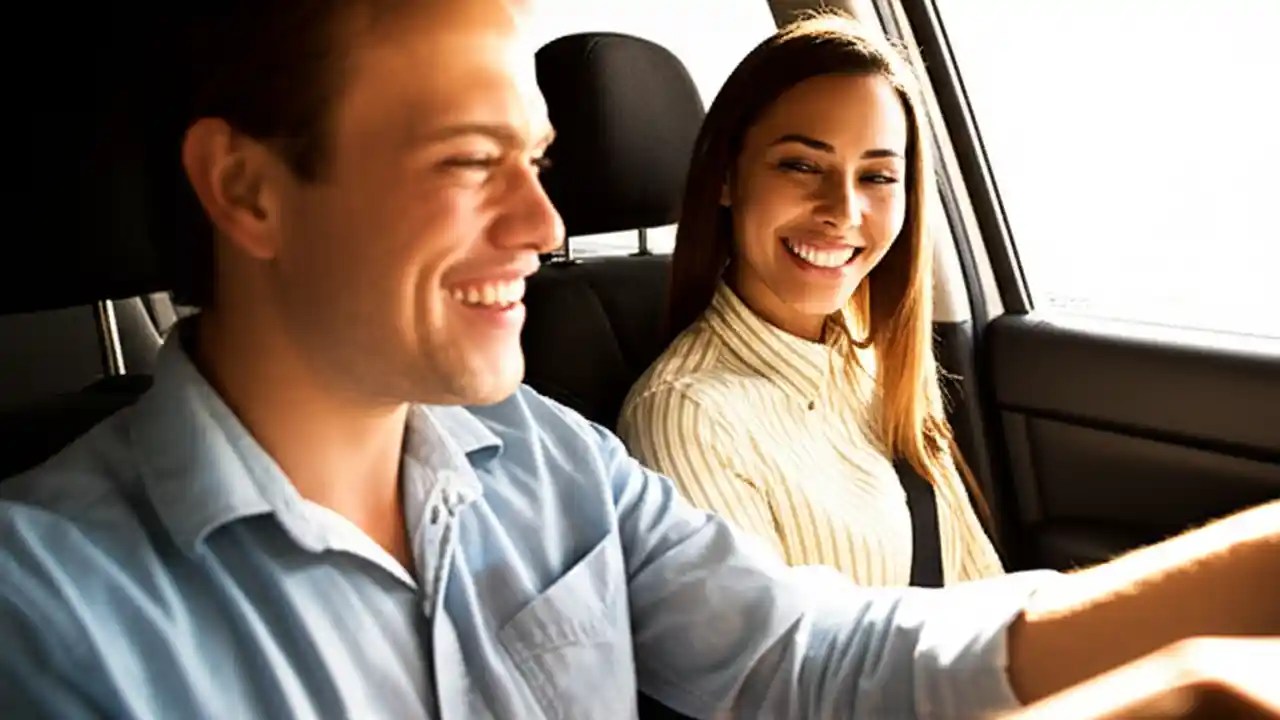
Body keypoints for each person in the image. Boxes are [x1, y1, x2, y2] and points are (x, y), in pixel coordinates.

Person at [0, 2, 1275, 718]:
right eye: (465, 162)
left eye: (537, 161)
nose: (543, 228)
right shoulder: (44, 616)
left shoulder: (553, 463)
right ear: (247, 189)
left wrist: (1238, 592)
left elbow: (813, 657)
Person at [619, 14, 1001, 586]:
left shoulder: (879, 363)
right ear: (726, 176)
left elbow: (980, 590)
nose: (844, 211)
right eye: (801, 165)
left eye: (877, 177)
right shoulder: (690, 418)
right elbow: (771, 672)